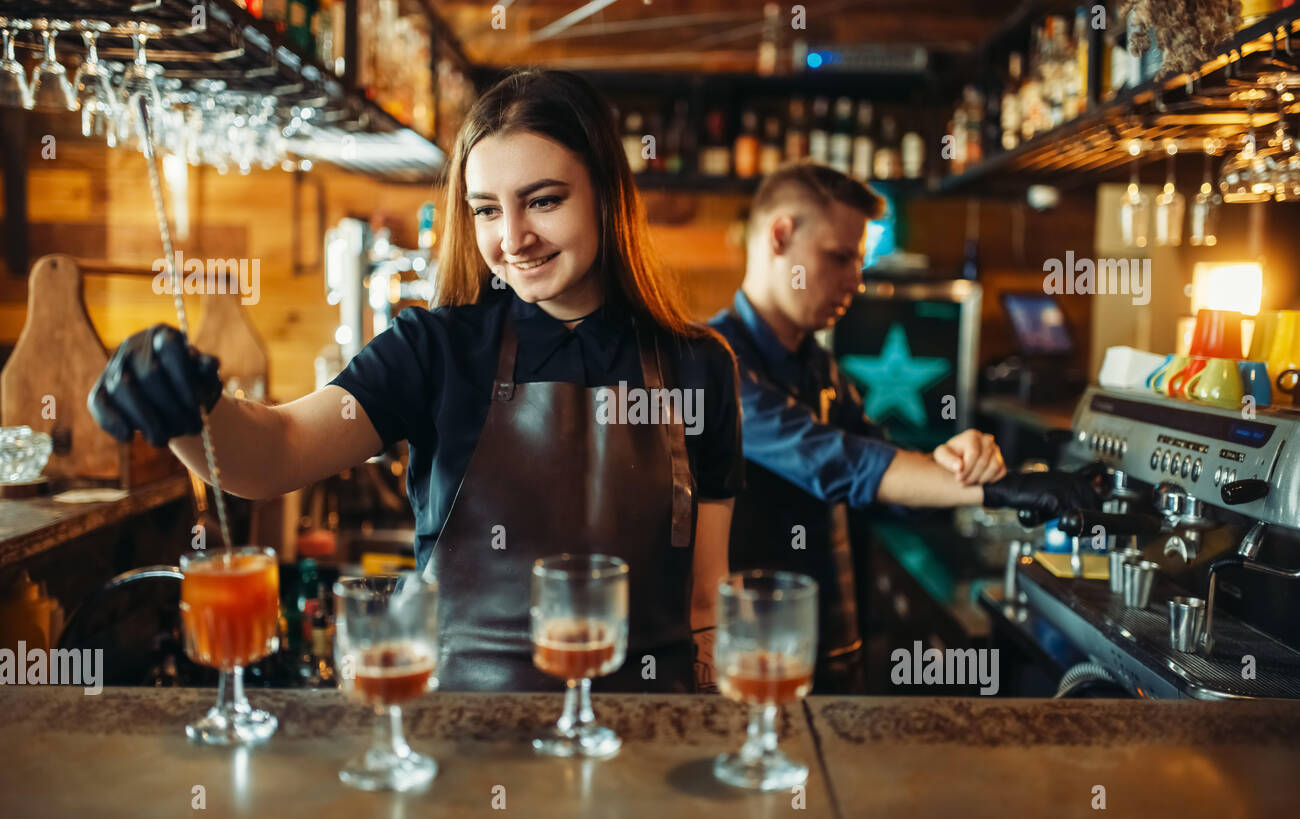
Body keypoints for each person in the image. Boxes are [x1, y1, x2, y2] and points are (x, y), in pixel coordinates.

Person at [87, 68, 743, 694]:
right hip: (458, 739)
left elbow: (705, 597)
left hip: (640, 737)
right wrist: (192, 409)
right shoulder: (435, 349)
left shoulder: (699, 365)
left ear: (606, 193)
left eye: (543, 201)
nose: (513, 238)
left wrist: (716, 721)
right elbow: (276, 450)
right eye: (487, 210)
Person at [708, 161, 1099, 693]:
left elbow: (887, 478)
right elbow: (835, 461)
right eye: (840, 257)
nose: (856, 280)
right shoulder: (712, 360)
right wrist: (999, 489)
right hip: (751, 659)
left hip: (833, 649)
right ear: (780, 235)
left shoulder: (817, 366)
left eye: (859, 262)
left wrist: (955, 458)